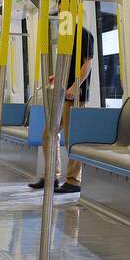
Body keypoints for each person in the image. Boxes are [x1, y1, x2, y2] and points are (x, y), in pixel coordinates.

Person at [29, 20, 94, 194]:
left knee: (72, 138)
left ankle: (74, 180)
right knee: (48, 135)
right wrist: (57, 77)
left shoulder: (84, 34)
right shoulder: (66, 37)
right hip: (63, 93)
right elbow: (69, 65)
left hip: (75, 95)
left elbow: (87, 64)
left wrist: (75, 85)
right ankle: (53, 175)